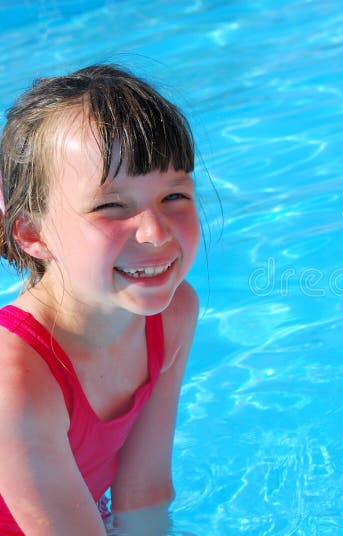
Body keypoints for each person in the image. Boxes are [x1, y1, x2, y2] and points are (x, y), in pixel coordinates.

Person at [0, 65, 199, 534]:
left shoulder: (173, 311)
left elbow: (144, 492)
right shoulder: (16, 380)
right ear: (32, 232)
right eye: (111, 206)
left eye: (174, 195)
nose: (155, 233)